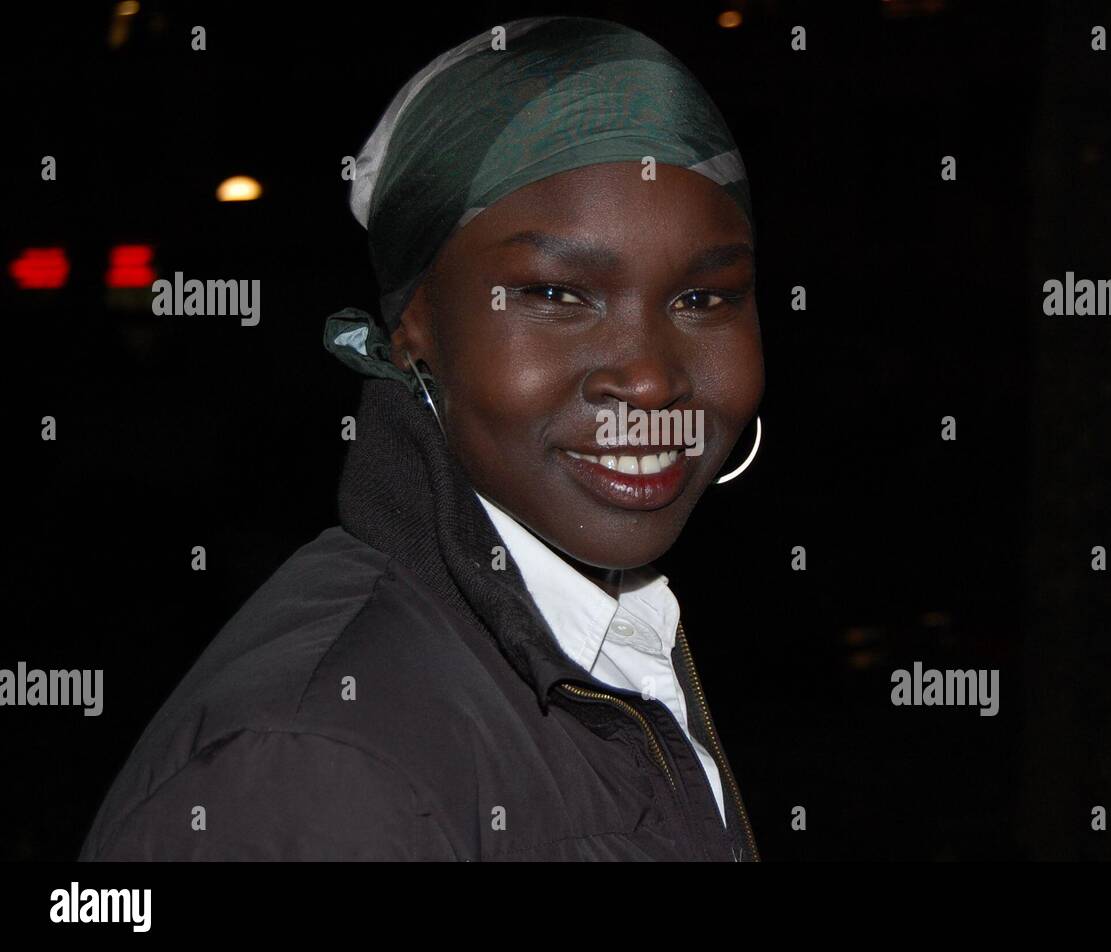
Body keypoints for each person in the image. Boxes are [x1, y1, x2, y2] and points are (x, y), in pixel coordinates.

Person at [79, 14, 764, 861]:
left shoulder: (607, 641)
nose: (652, 380)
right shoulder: (317, 766)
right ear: (411, 327)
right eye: (556, 295)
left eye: (703, 300)